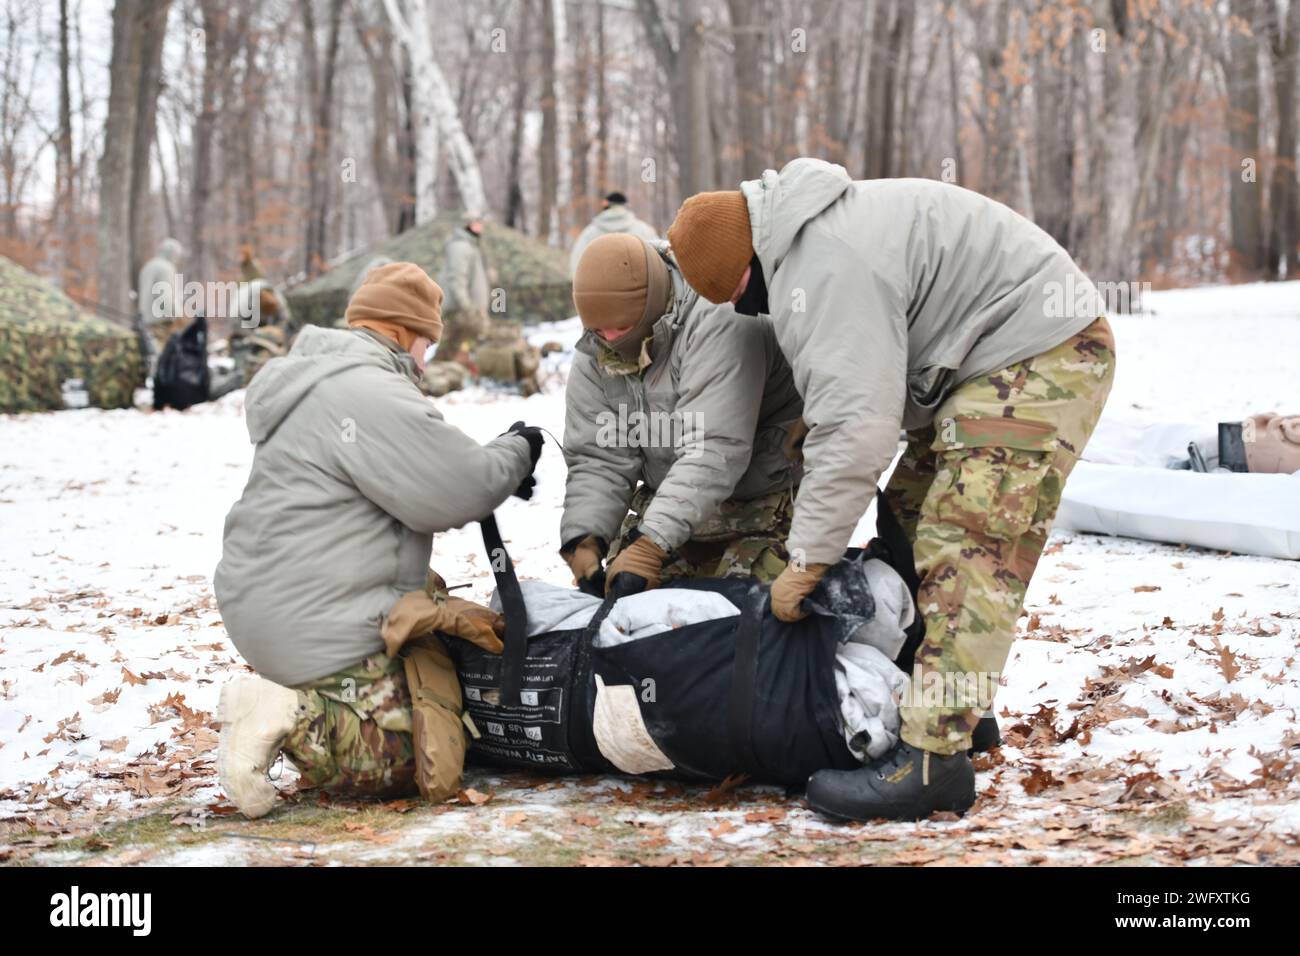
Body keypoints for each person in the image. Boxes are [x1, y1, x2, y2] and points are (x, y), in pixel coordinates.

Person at [667, 157, 1117, 821]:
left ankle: (934, 760)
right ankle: (948, 707)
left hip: (1042, 351)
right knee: (906, 526)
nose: (746, 309)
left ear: (749, 261)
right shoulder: (799, 238)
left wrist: (808, 560)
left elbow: (858, 430)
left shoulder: (821, 264)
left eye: (739, 293)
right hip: (978, 364)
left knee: (965, 547)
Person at [213, 261, 542, 818]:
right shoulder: (367, 390)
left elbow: (424, 474)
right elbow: (459, 487)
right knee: (407, 754)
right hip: (314, 620)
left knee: (431, 647)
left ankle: (302, 703)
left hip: (272, 606)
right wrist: (519, 451)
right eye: (426, 344)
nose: (425, 359)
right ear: (400, 331)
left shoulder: (316, 377)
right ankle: (288, 709)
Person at [560, 233, 804, 597]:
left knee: (738, 620)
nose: (610, 339)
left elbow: (713, 448)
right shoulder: (597, 345)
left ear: (651, 303)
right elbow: (600, 455)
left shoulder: (719, 318)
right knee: (633, 611)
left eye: (622, 328)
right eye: (598, 330)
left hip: (764, 504)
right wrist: (585, 537)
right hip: (675, 509)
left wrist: (650, 545)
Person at [439, 212, 491, 362]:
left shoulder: (470, 245)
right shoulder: (460, 247)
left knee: (465, 352)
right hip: (461, 312)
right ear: (467, 225)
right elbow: (456, 280)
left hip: (468, 311)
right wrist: (467, 307)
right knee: (450, 353)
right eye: (476, 223)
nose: (481, 226)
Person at [569, 191, 659, 276]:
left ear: (605, 206)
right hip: (639, 290)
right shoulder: (645, 230)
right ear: (625, 206)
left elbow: (576, 265)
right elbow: (659, 263)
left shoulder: (589, 233)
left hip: (598, 290)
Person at [136, 237, 185, 373]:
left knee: (152, 352)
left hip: (146, 317)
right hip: (162, 320)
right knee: (165, 355)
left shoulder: (148, 266)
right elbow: (166, 296)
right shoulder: (166, 268)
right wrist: (177, 316)